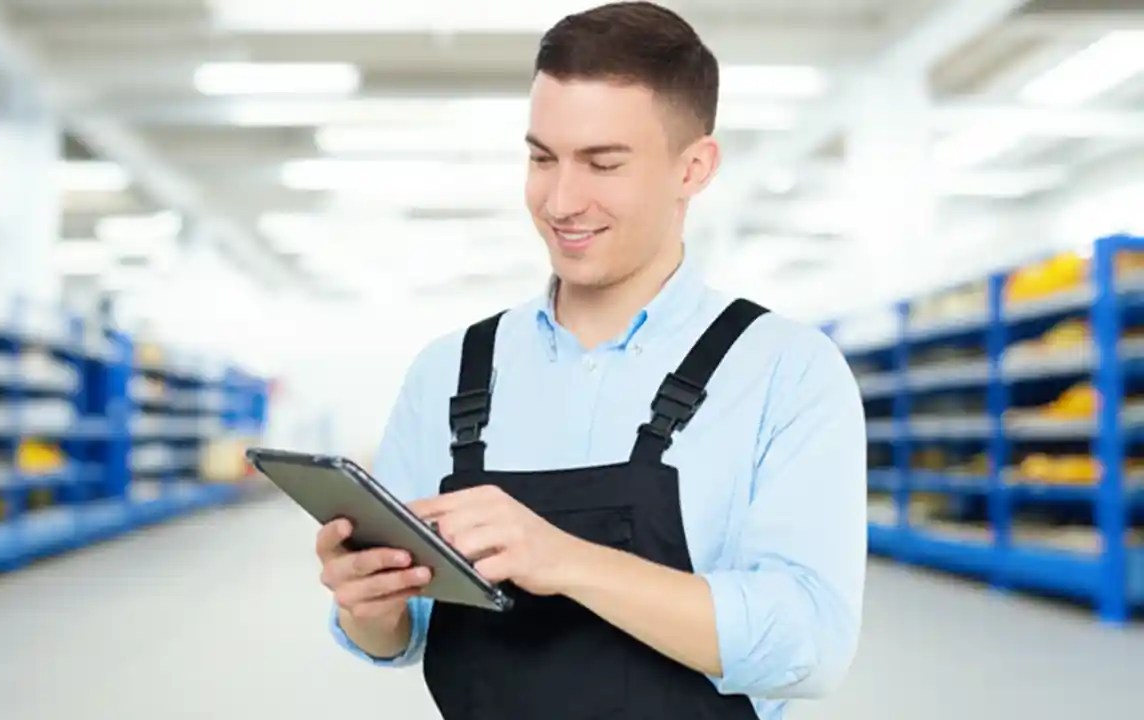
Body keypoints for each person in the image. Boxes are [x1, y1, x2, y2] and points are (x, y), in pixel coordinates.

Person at [313, 2, 866, 718]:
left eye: (603, 163)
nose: (560, 200)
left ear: (694, 168)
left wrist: (564, 560)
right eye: (542, 158)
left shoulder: (786, 371)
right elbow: (401, 635)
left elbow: (810, 644)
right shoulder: (448, 372)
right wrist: (369, 603)